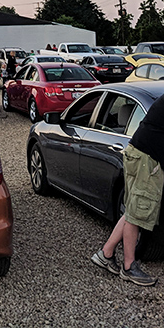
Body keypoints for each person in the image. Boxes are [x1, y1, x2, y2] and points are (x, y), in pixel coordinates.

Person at [91, 94, 164, 286]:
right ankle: (129, 267)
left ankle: (106, 253)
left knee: (133, 209)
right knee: (138, 213)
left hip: (138, 154)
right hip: (147, 160)